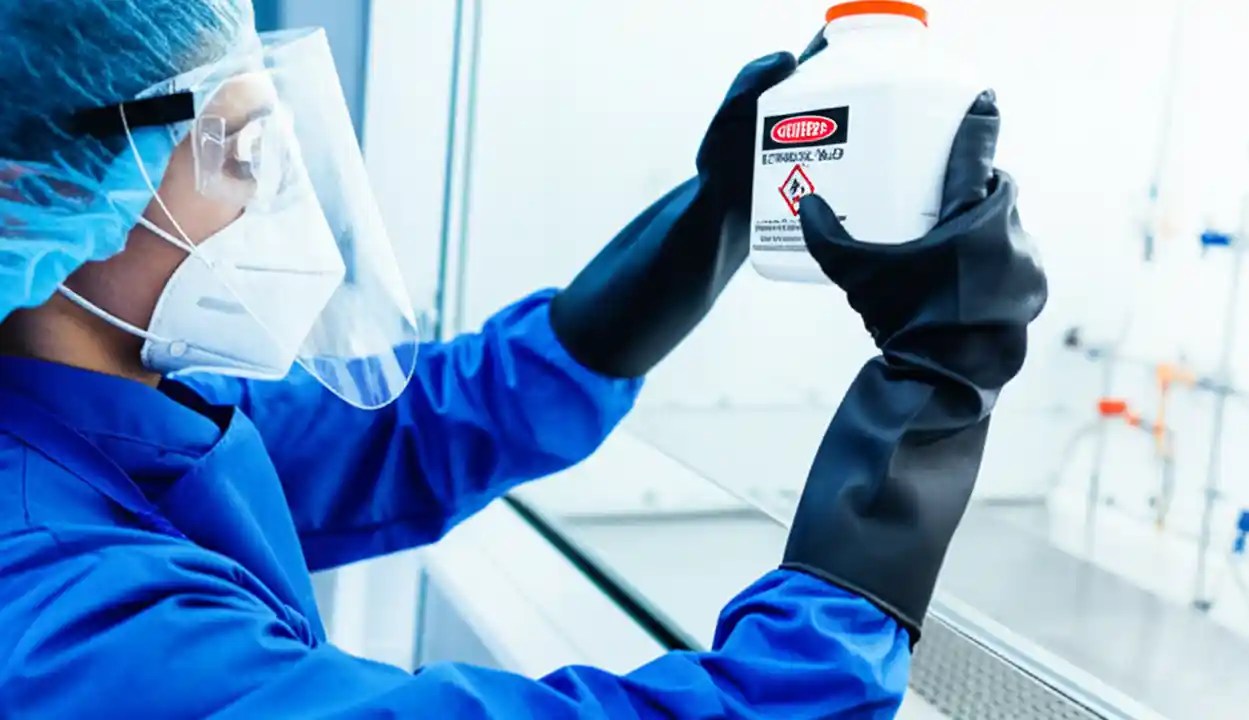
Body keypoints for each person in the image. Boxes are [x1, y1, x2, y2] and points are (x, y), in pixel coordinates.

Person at [0, 2, 1046, 718]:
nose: (278, 198)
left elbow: (415, 427)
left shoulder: (117, 400)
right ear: (33, 192)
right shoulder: (64, 614)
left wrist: (712, 217)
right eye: (236, 153)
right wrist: (937, 381)